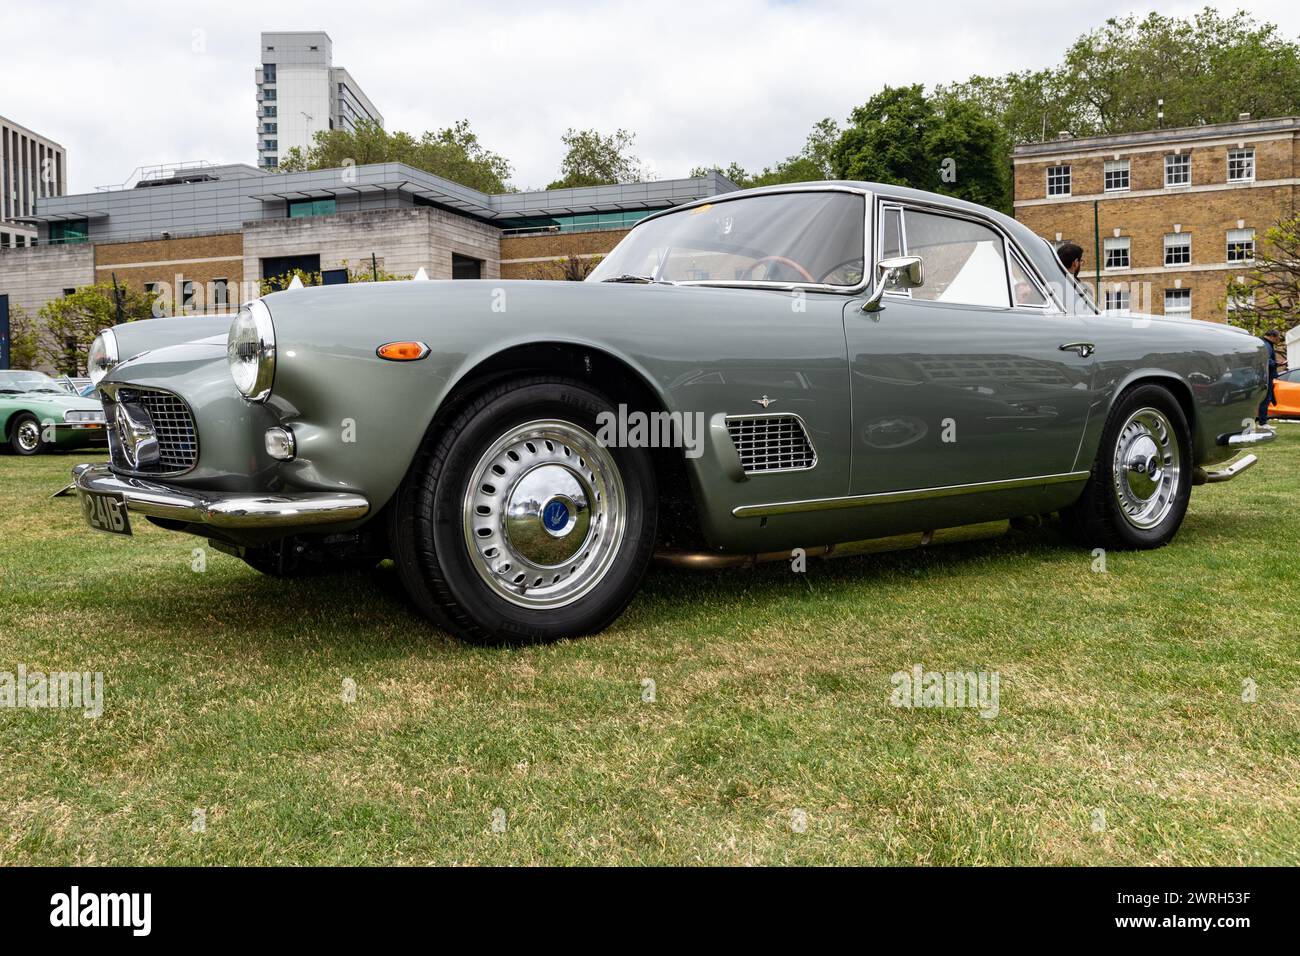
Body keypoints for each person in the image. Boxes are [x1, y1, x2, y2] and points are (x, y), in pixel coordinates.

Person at [1258, 329, 1282, 425]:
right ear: (1272, 336)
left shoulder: (1264, 343)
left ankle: (1263, 422)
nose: (1278, 340)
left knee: (1266, 399)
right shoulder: (1267, 345)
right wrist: (1276, 364)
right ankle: (1263, 423)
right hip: (1267, 376)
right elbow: (1266, 360)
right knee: (1266, 399)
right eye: (1277, 337)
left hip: (1265, 375)